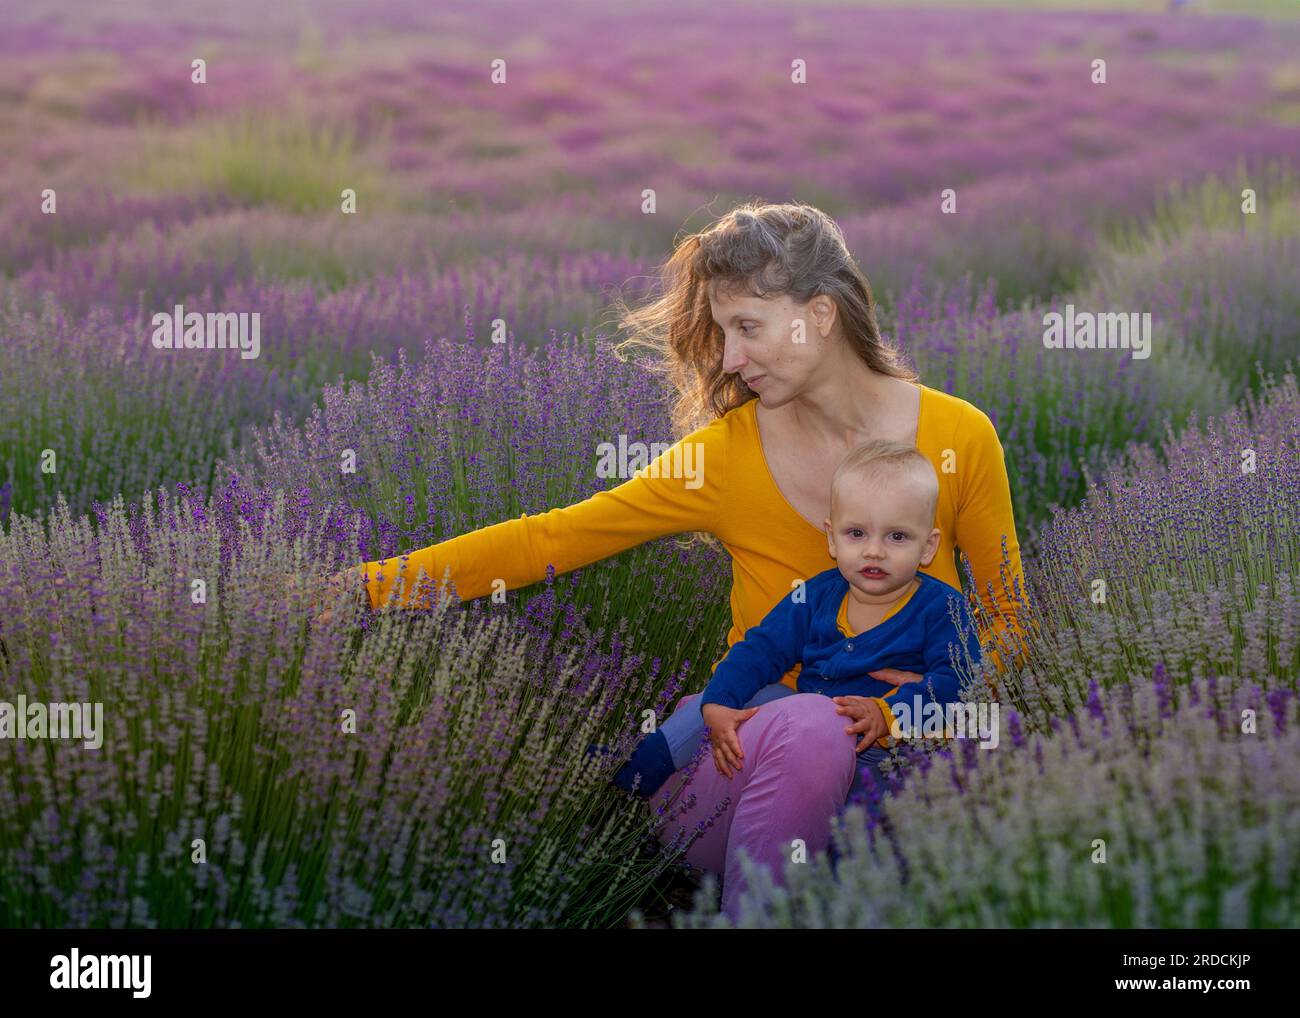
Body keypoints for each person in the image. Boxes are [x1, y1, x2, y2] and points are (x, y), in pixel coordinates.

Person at [316, 201, 1029, 921]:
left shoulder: (957, 438)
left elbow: (1008, 624)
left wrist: (923, 704)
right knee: (815, 727)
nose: (729, 360)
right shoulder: (722, 458)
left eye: (747, 328)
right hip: (735, 777)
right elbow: (549, 541)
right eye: (722, 334)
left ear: (818, 314)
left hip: (902, 762)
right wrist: (359, 589)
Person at [611, 438, 982, 807]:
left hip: (884, 753)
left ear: (929, 546)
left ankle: (842, 854)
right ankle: (637, 771)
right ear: (832, 537)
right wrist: (719, 703)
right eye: (856, 533)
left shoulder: (942, 607)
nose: (874, 550)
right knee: (753, 694)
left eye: (897, 536)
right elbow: (763, 647)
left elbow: (958, 682)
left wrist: (889, 715)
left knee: (876, 812)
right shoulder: (816, 595)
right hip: (802, 731)